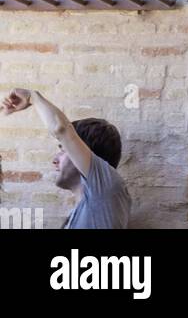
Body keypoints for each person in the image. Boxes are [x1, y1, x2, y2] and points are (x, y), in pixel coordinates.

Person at [1, 87, 131, 229]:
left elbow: (61, 129)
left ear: (83, 152)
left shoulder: (106, 184)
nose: (54, 160)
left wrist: (32, 96)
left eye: (63, 150)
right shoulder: (85, 209)